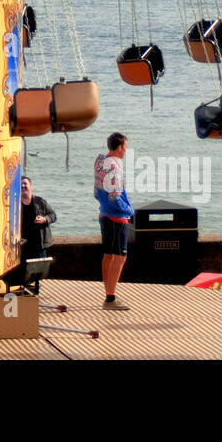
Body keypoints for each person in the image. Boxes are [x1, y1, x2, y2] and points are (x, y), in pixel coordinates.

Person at [94, 132, 134, 311]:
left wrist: (104, 204)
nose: (126, 151)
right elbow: (116, 198)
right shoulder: (115, 167)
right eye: (125, 147)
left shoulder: (100, 162)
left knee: (108, 255)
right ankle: (110, 298)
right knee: (120, 256)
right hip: (116, 217)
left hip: (104, 214)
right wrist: (130, 210)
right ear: (119, 148)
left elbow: (96, 191)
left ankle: (108, 293)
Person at [19, 176, 56, 294]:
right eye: (21, 185)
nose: (23, 186)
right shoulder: (16, 203)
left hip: (39, 242)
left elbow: (53, 215)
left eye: (25, 184)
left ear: (31, 186)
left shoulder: (40, 201)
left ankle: (35, 290)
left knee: (39, 271)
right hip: (23, 243)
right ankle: (25, 290)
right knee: (24, 271)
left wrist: (44, 219)